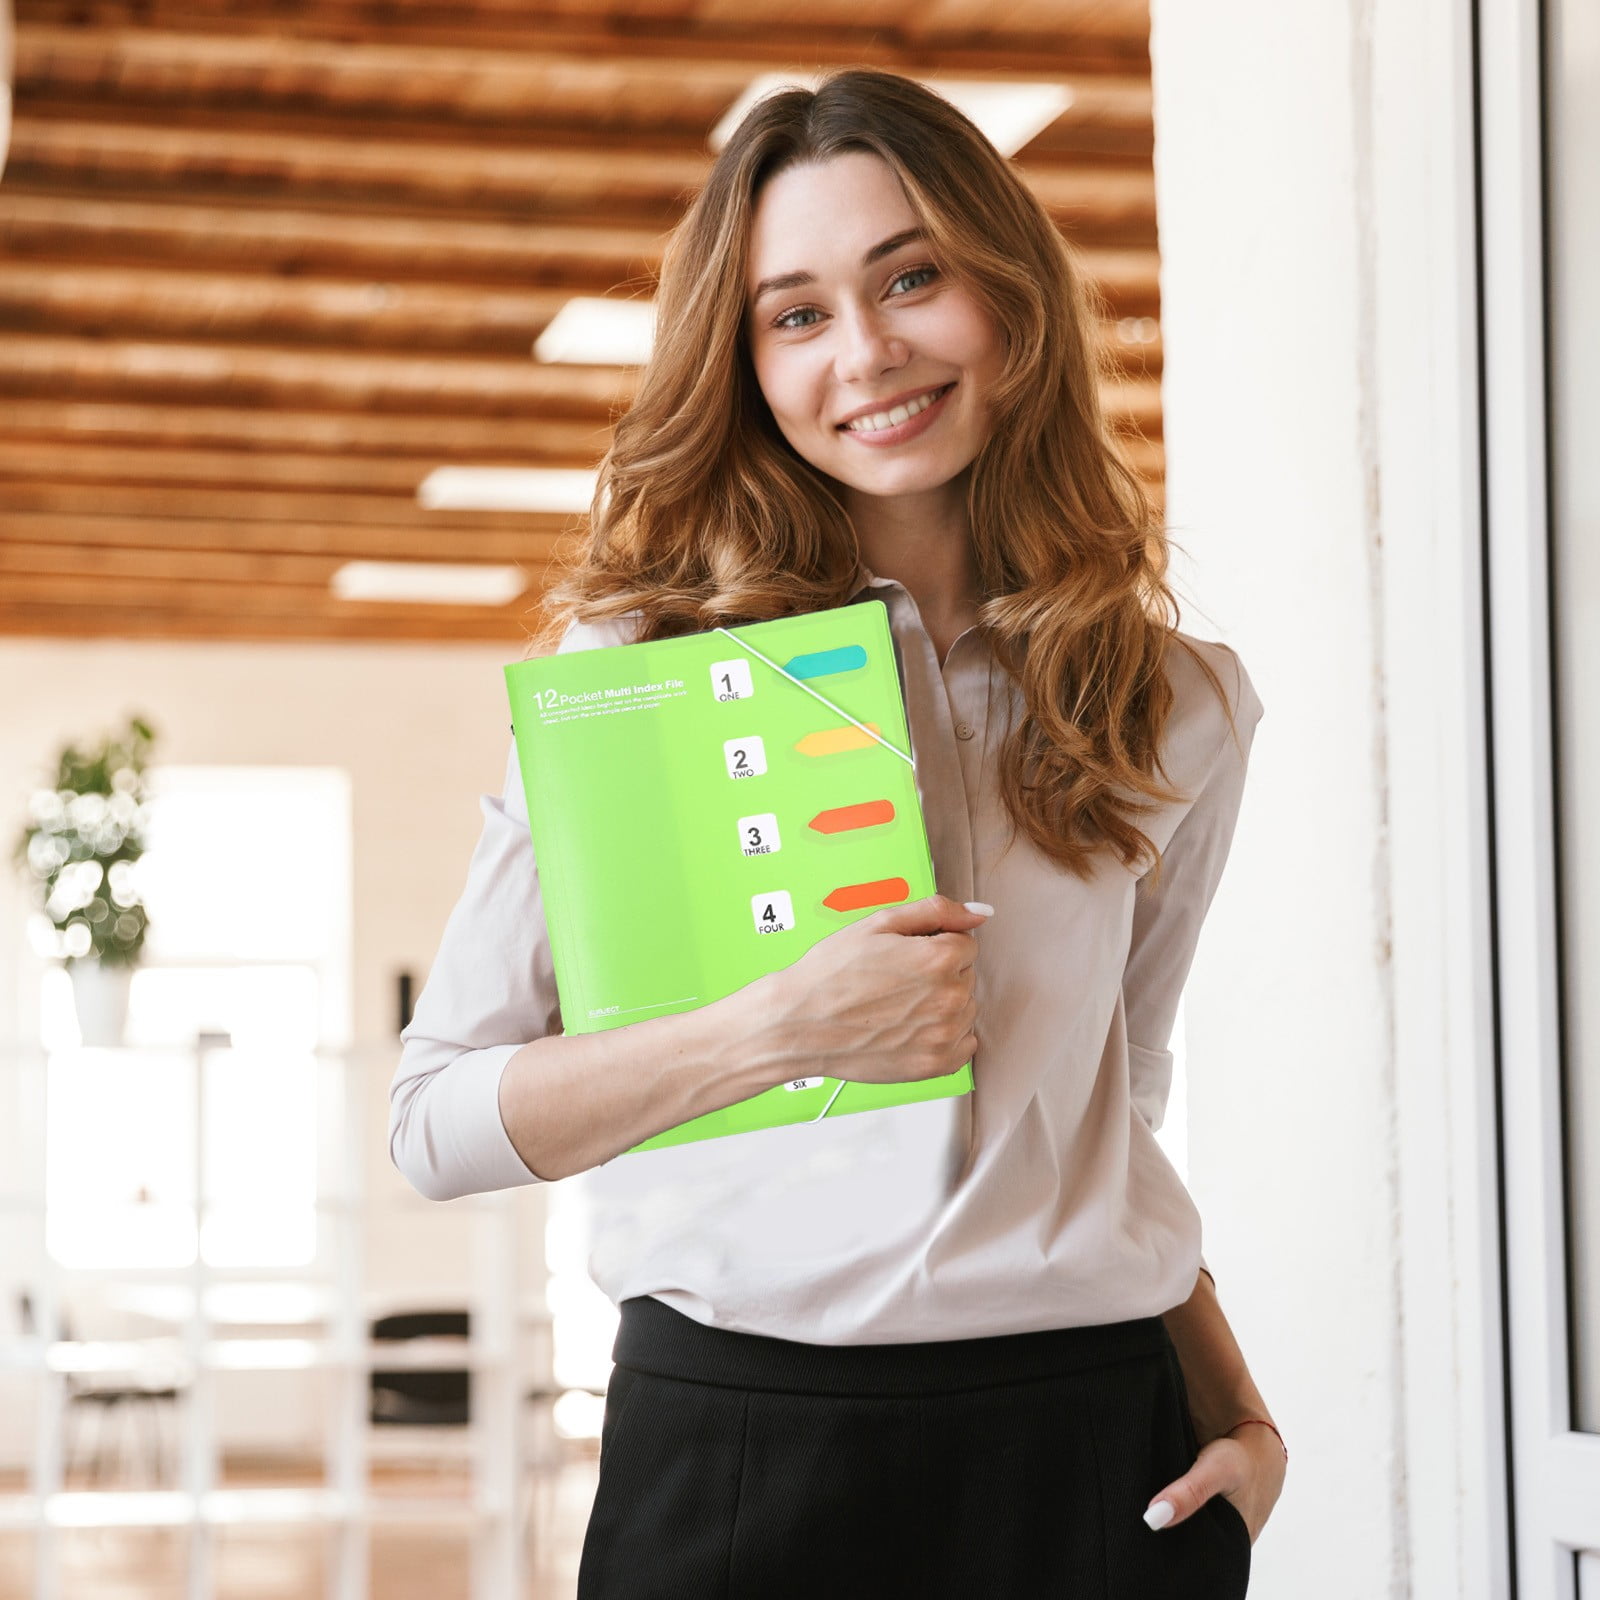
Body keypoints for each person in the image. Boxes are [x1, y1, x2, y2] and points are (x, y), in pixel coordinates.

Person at [391, 68, 1286, 1597]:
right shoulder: (636, 675)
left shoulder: (1174, 700)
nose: (868, 352)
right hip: (744, 1460)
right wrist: (770, 1032)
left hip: (1094, 1460)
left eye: (911, 276)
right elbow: (436, 1125)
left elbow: (1113, 1101)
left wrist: (1239, 1411)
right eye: (796, 314)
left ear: (1006, 293)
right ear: (741, 364)